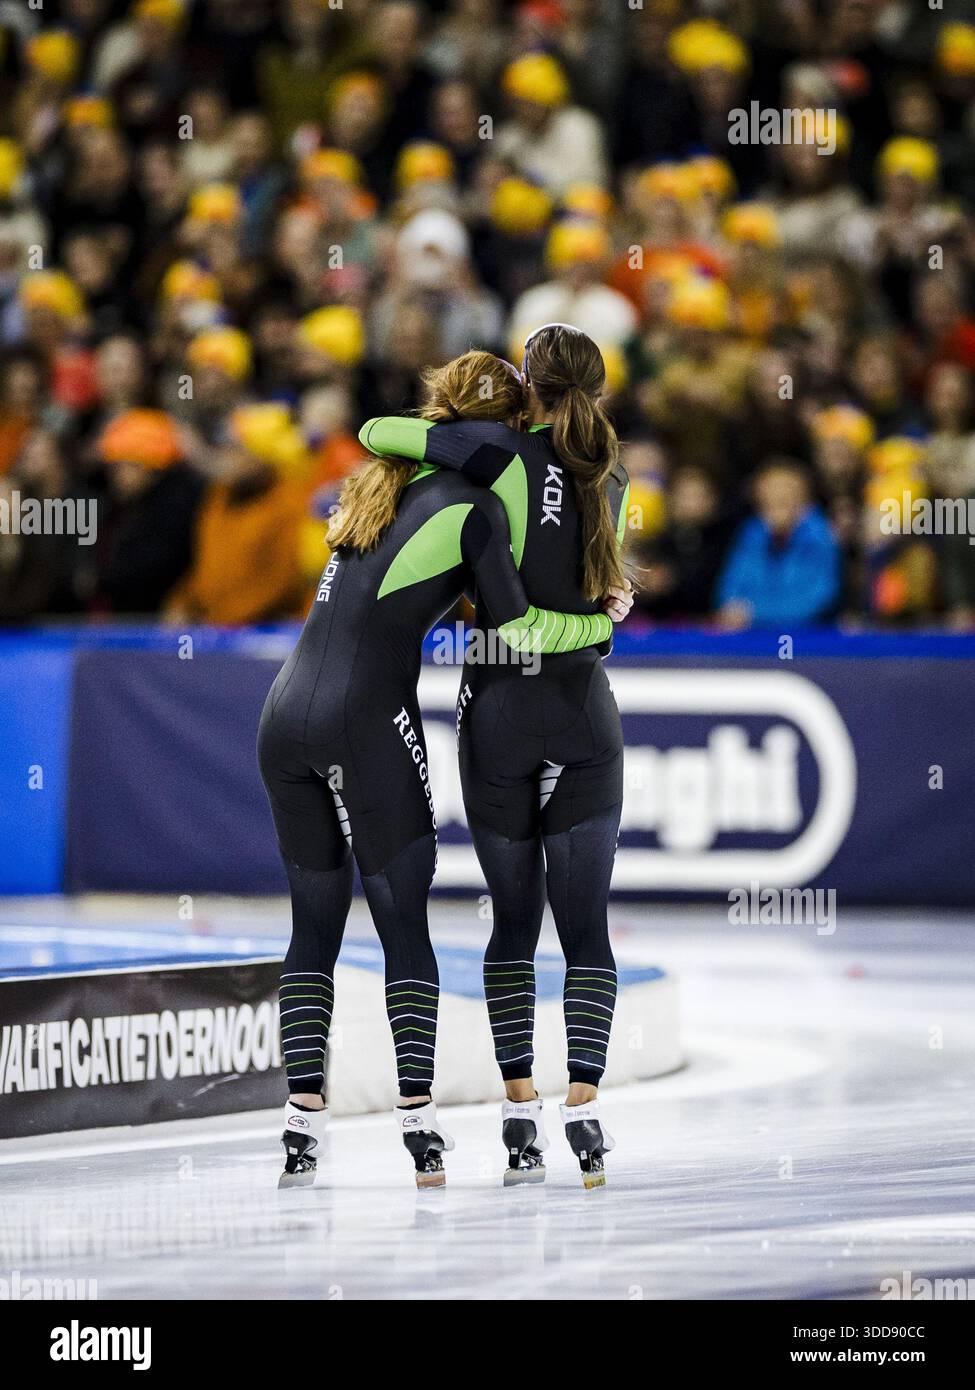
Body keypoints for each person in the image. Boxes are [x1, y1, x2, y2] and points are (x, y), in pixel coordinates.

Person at [258, 351, 626, 1190]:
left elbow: (375, 435)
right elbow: (518, 629)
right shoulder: (489, 500)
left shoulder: (368, 485)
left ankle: (298, 1127)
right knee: (404, 927)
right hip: (384, 722)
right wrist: (600, 628)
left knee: (313, 926)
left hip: (282, 718)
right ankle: (422, 1131)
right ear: (509, 416)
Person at [359, 323, 631, 1188]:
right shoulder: (613, 472)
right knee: (584, 930)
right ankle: (585, 1118)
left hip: (498, 706)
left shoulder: (499, 453)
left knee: (514, 925)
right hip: (584, 708)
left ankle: (521, 1121)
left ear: (529, 384)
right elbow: (600, 590)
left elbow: (378, 434)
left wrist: (466, 425)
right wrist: (597, 626)